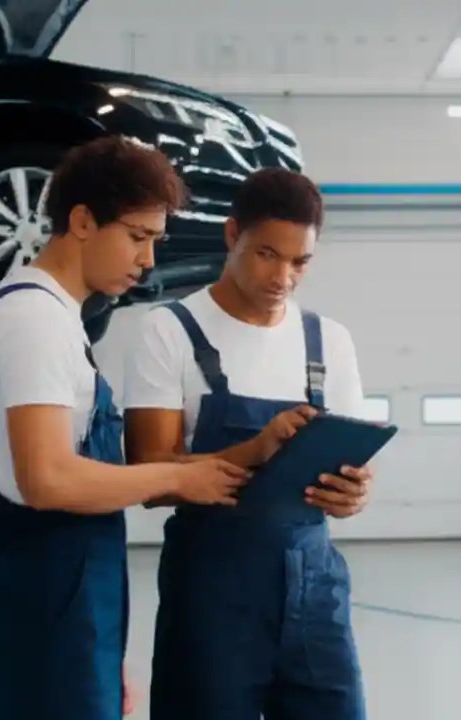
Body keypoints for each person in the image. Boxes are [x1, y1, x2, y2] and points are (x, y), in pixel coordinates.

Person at [0, 135, 250, 720]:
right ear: (83, 221)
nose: (147, 261)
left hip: (70, 609)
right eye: (137, 238)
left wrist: (102, 645)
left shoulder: (58, 320)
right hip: (41, 610)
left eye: (154, 242)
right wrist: (175, 480)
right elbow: (47, 480)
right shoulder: (32, 321)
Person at [123, 167, 373, 720]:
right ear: (232, 235)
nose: (283, 276)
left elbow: (349, 457)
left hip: (315, 590)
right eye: (267, 254)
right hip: (212, 596)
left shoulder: (330, 340)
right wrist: (252, 450)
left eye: (300, 261)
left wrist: (351, 494)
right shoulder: (170, 331)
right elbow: (147, 476)